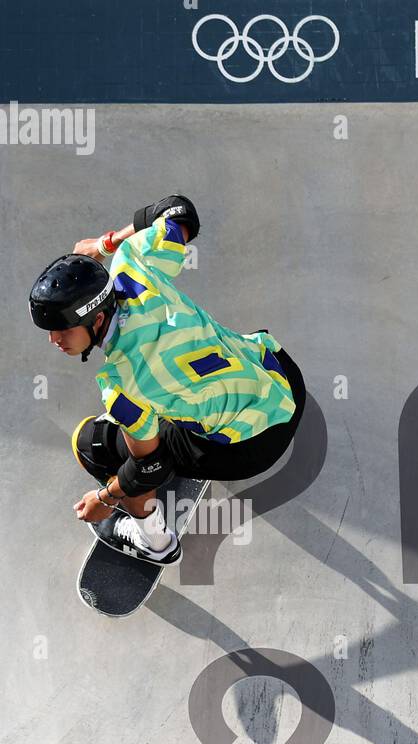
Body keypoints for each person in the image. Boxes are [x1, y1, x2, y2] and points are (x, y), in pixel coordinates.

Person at [29, 194, 306, 562]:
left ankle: (156, 543)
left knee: (93, 443)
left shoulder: (122, 385)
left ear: (96, 319)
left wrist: (106, 498)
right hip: (284, 378)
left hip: (252, 449)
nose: (54, 340)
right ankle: (175, 418)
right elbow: (179, 211)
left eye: (63, 330)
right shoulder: (132, 264)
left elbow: (149, 467)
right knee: (147, 413)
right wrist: (104, 245)